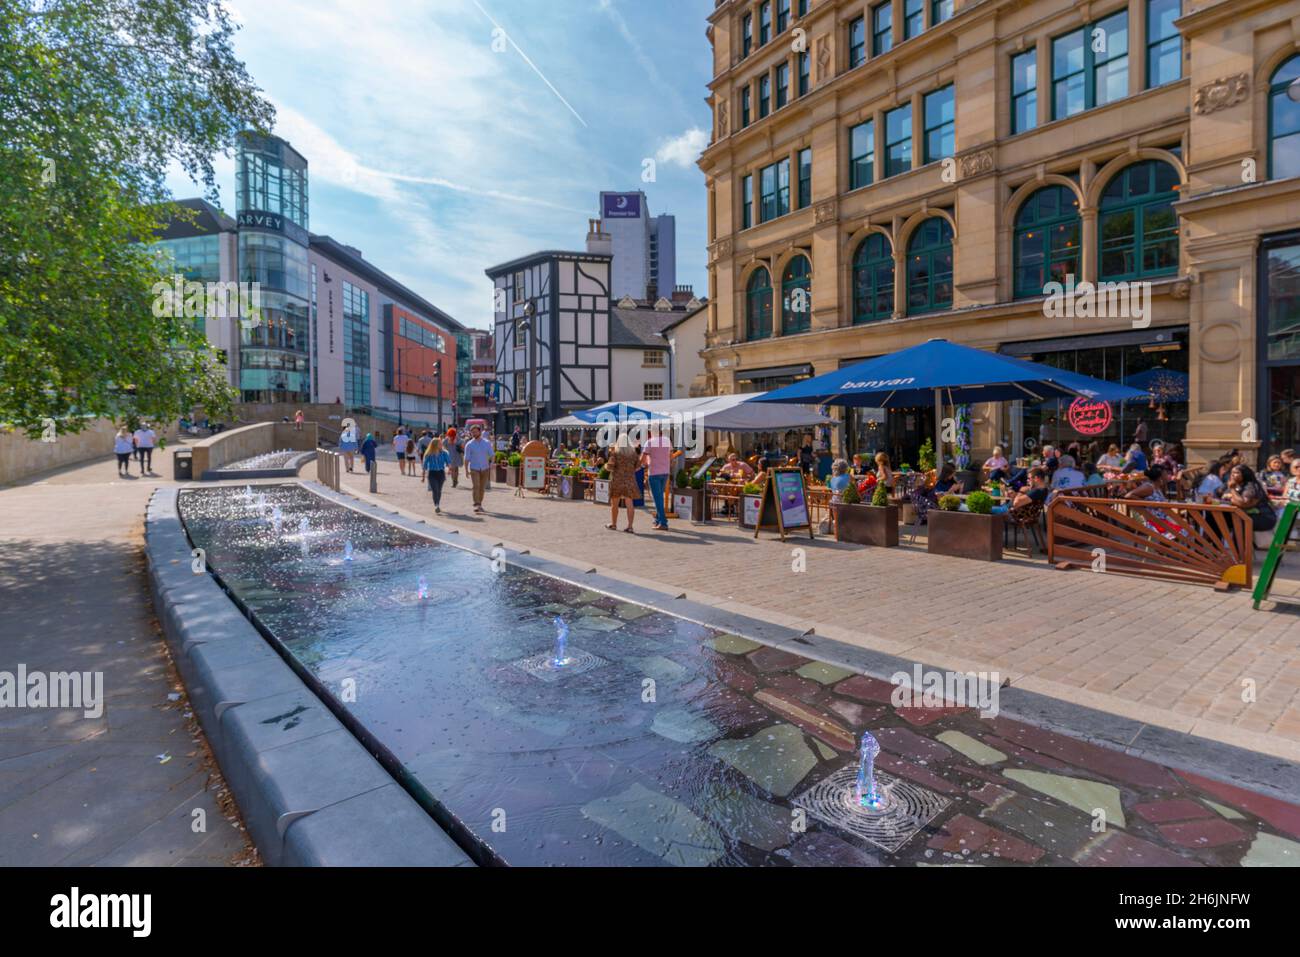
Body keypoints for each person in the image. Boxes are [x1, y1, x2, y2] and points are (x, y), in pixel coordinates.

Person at [1224, 464, 1277, 535]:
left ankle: (1240, 546)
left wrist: (1232, 490)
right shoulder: (1235, 484)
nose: (1233, 475)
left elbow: (1243, 503)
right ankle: (1214, 544)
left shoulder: (1251, 486)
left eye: (1236, 473)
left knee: (1238, 521)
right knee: (1216, 517)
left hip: (1263, 518)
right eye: (1232, 473)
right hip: (1246, 515)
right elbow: (1223, 496)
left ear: (1244, 474)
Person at [641, 424, 674, 531]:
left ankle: (663, 522)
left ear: (651, 432)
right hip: (665, 472)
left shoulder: (649, 442)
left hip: (654, 472)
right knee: (659, 497)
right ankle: (658, 520)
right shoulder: (667, 440)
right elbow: (670, 456)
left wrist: (642, 465)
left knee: (658, 498)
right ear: (660, 431)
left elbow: (643, 458)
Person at [605, 432, 640, 532]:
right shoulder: (633, 454)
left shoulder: (615, 453)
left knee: (614, 504)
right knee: (630, 504)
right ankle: (630, 526)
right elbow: (638, 468)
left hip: (617, 480)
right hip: (629, 480)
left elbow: (610, 467)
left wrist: (605, 466)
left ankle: (614, 524)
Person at [463, 424, 494, 514]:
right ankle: (477, 504)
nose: (474, 433)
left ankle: (480, 503)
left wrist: (492, 463)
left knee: (482, 488)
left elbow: (492, 454)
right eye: (472, 432)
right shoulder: (469, 444)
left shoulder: (487, 443)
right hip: (474, 468)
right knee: (476, 486)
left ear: (480, 432)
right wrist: (466, 470)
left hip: (485, 468)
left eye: (475, 432)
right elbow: (466, 458)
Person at [422, 436, 450, 514]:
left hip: (441, 473)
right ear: (435, 444)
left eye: (441, 443)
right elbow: (424, 465)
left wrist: (449, 469)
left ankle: (438, 503)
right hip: (432, 473)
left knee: (439, 490)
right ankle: (436, 505)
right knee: (435, 490)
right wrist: (423, 476)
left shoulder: (444, 453)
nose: (441, 445)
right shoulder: (429, 454)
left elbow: (448, 462)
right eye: (440, 444)